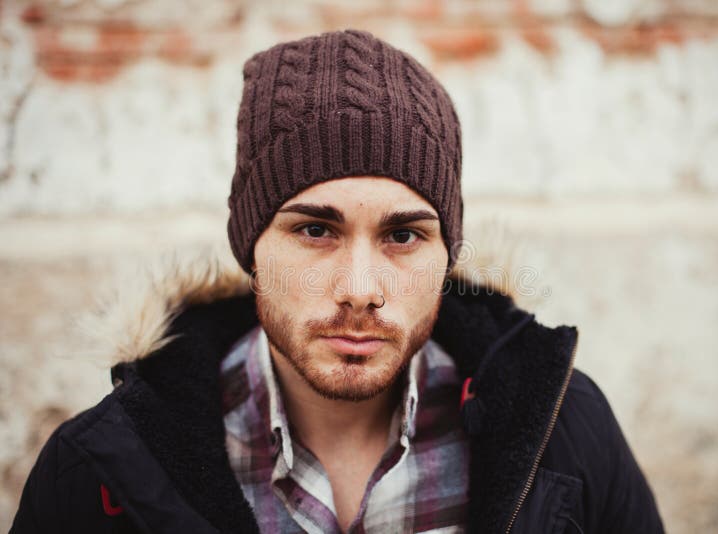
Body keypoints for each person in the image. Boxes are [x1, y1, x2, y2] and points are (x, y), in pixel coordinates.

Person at [11, 29, 664, 533]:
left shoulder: (565, 433)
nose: (360, 287)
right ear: (252, 246)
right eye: (315, 231)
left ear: (448, 253)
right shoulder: (100, 468)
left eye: (403, 235)